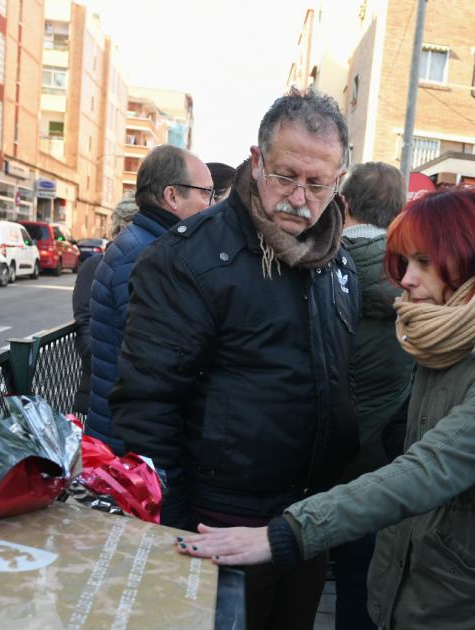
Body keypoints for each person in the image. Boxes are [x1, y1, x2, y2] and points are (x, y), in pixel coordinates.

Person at [175, 187, 475, 629]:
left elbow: (429, 468)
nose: (406, 279)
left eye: (424, 262)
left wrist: (287, 533)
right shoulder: (447, 331)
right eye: (405, 262)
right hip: (416, 581)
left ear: (473, 257)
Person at [111, 88, 360, 630]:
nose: (299, 197)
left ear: (338, 181)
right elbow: (147, 406)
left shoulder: (337, 260)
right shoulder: (188, 257)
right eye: (284, 176)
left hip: (304, 523)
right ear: (256, 161)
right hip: (217, 528)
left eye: (317, 184)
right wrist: (173, 533)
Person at [88, 145, 214, 452]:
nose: (212, 206)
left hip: (121, 429)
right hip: (127, 441)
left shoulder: (144, 243)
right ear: (172, 196)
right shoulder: (146, 255)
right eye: (206, 194)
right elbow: (160, 356)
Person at [333, 160, 414, 630]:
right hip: (385, 448)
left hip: (322, 439)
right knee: (363, 572)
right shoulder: (414, 278)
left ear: (344, 204)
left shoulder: (317, 263)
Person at [72, 196, 138, 416]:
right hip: (99, 387)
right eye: (131, 226)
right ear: (118, 227)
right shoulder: (94, 265)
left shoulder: (150, 262)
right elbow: (84, 324)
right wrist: (109, 358)